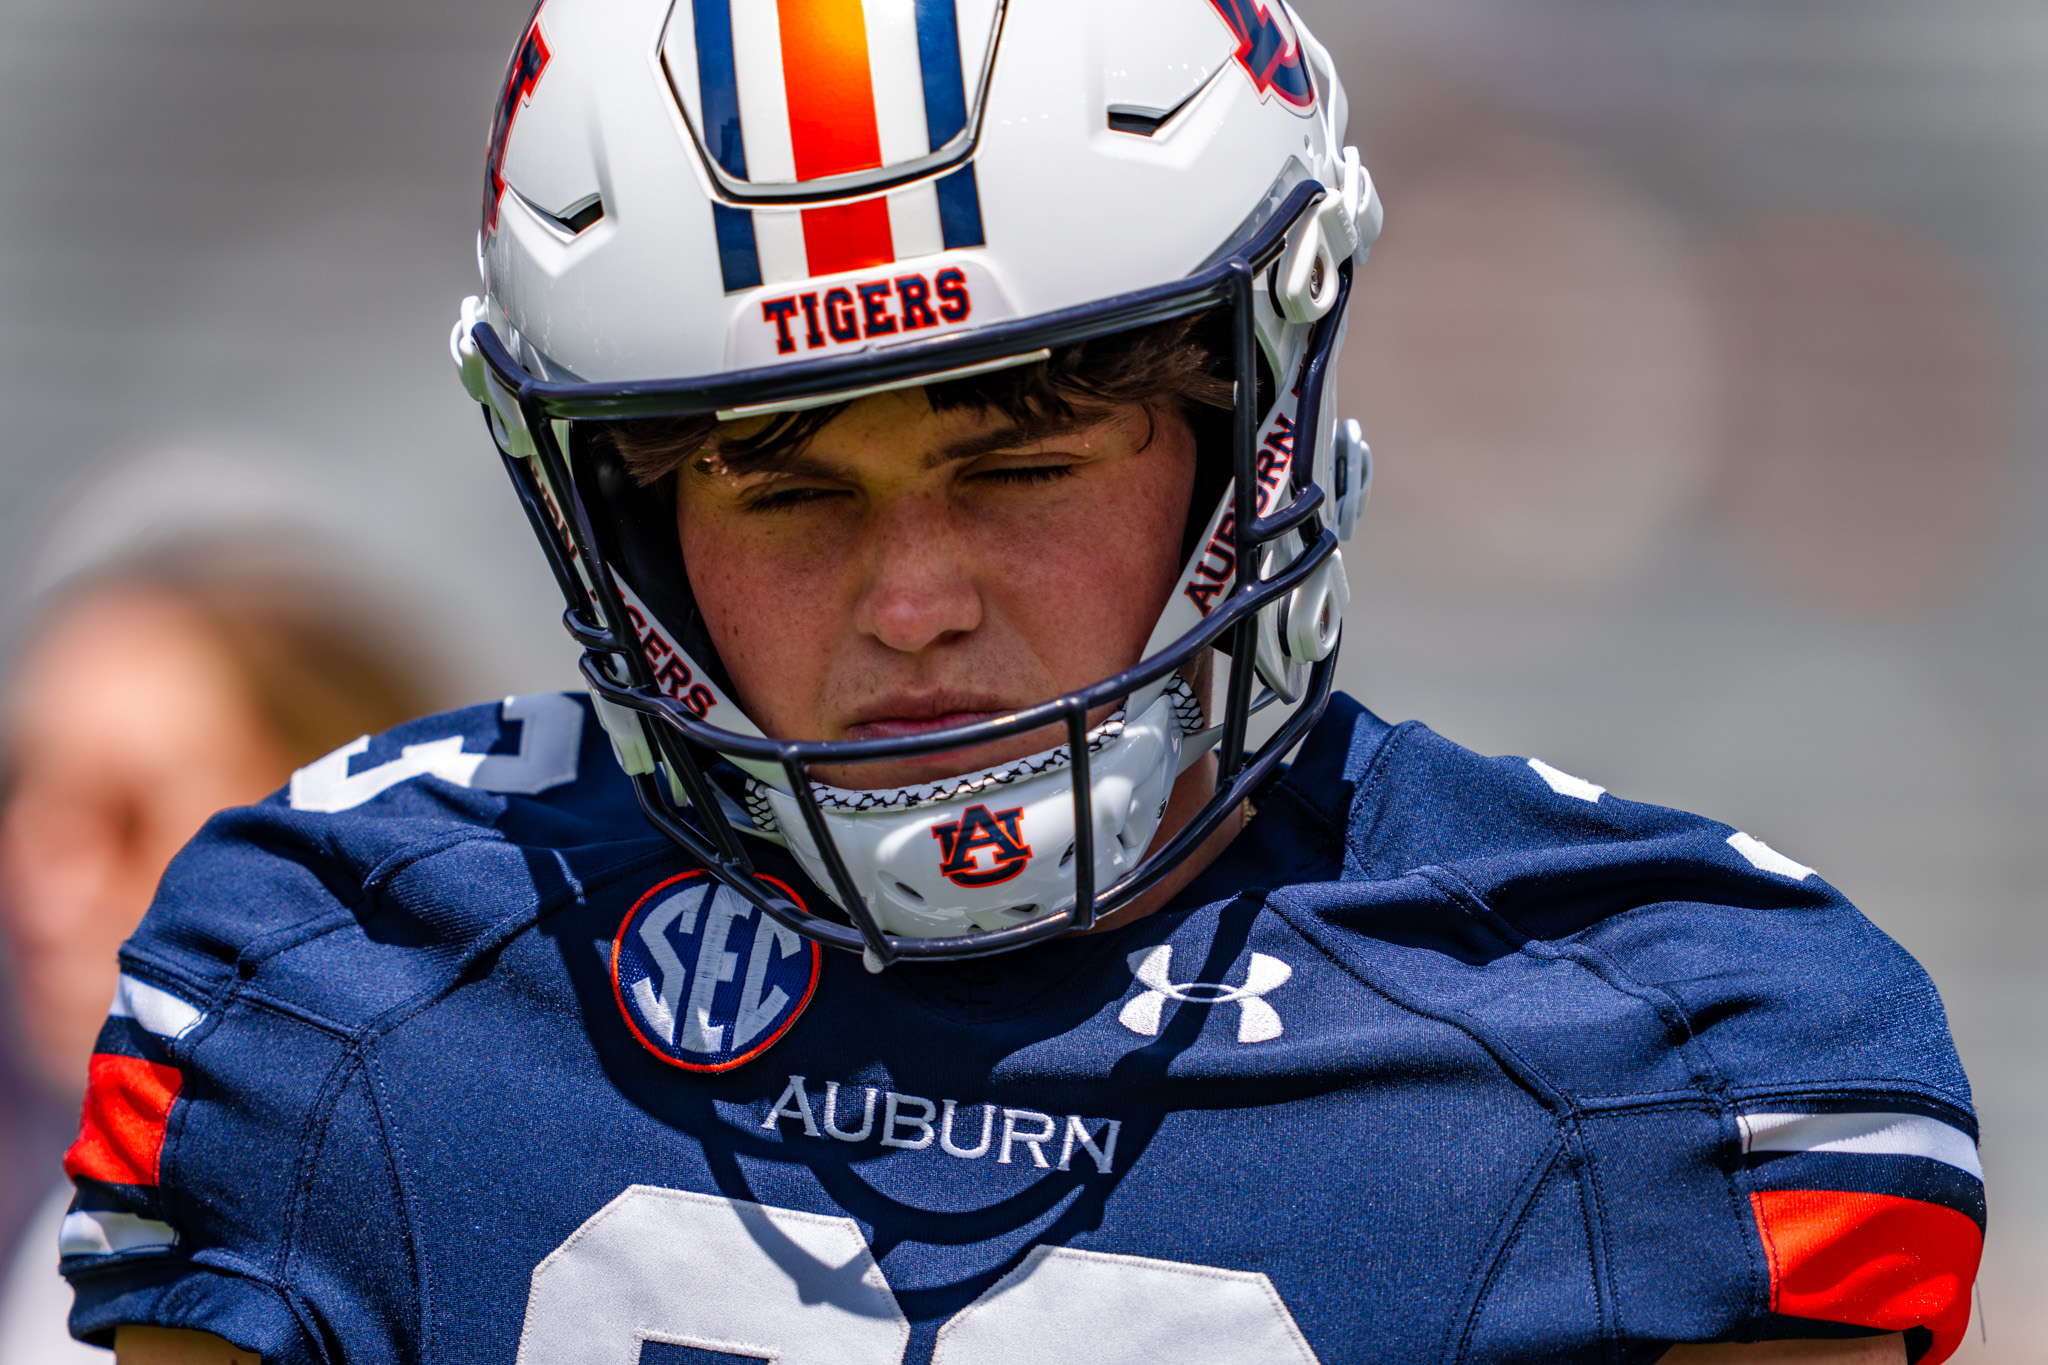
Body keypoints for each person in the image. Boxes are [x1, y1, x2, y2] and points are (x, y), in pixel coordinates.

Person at [62, 2, 1981, 1362]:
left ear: (1248, 427)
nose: (912, 601)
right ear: (615, 514)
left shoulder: (1660, 1068)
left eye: (1025, 465)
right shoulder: (330, 989)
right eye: (785, 491)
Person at [0, 543, 442, 1364]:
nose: (37, 890)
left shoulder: (370, 1261)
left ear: (331, 847)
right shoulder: (87, 1206)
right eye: (20, 799)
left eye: (126, 819)